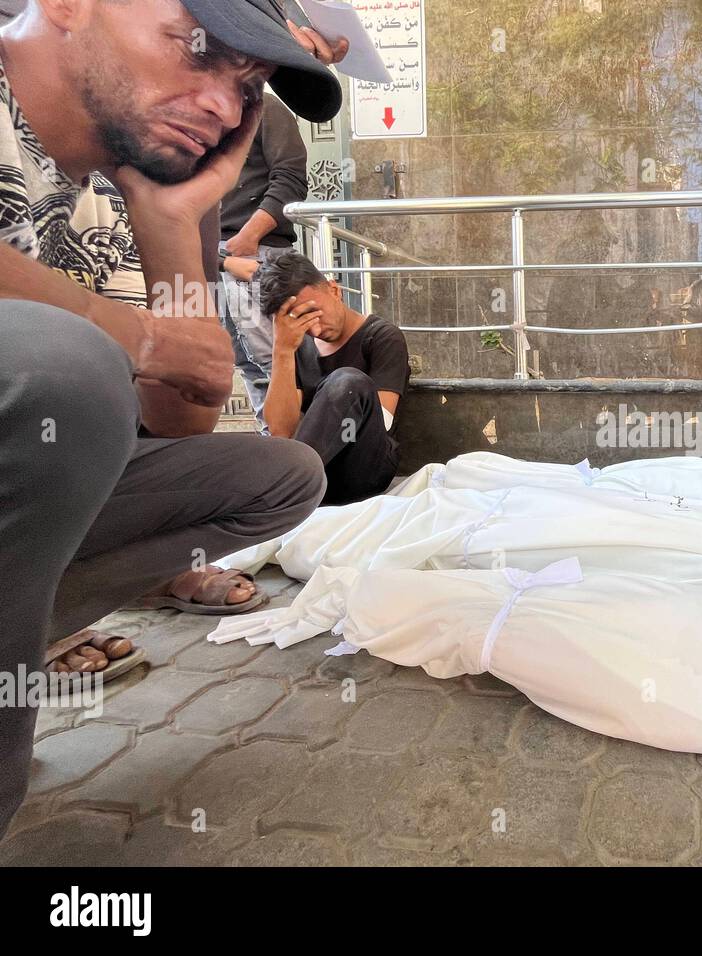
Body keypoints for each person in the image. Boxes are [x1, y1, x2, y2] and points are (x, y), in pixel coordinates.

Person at [0, 0, 346, 838]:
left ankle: (20, 636)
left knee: (278, 475)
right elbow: (114, 357)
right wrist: (137, 335)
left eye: (248, 84)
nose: (225, 108)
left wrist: (165, 224)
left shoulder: (136, 183)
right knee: (70, 371)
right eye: (199, 53)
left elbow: (182, 414)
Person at [258, 252, 411, 504]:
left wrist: (331, 406)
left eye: (314, 314)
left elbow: (381, 422)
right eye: (303, 322)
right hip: (317, 472)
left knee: (349, 383)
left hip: (365, 467)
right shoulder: (297, 345)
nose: (315, 330)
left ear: (334, 290)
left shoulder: (381, 336)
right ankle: (286, 489)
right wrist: (282, 351)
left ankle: (281, 494)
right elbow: (280, 431)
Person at [218, 92, 309, 425]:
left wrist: (248, 237)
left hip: (258, 254)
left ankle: (294, 456)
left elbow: (290, 178)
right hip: (215, 258)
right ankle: (278, 447)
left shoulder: (266, 108)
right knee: (248, 365)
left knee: (274, 363)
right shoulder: (198, 113)